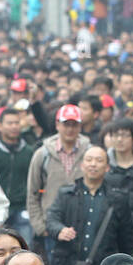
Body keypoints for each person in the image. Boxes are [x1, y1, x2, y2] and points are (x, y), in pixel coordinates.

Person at [46, 145, 133, 265]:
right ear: (82, 165)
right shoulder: (66, 194)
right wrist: (60, 230)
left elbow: (126, 240)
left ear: (107, 167)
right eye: (89, 160)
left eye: (99, 160)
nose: (93, 164)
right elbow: (51, 219)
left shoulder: (118, 200)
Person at [27, 105, 89, 249]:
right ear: (57, 125)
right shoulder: (43, 154)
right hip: (51, 229)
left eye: (74, 125)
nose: (70, 129)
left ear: (80, 126)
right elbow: (32, 193)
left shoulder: (90, 153)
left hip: (84, 227)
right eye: (66, 124)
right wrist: (40, 227)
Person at [0, 108, 38, 245]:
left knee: (24, 247)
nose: (14, 127)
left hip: (21, 207)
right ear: (0, 126)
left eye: (17, 123)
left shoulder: (28, 151)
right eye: (9, 123)